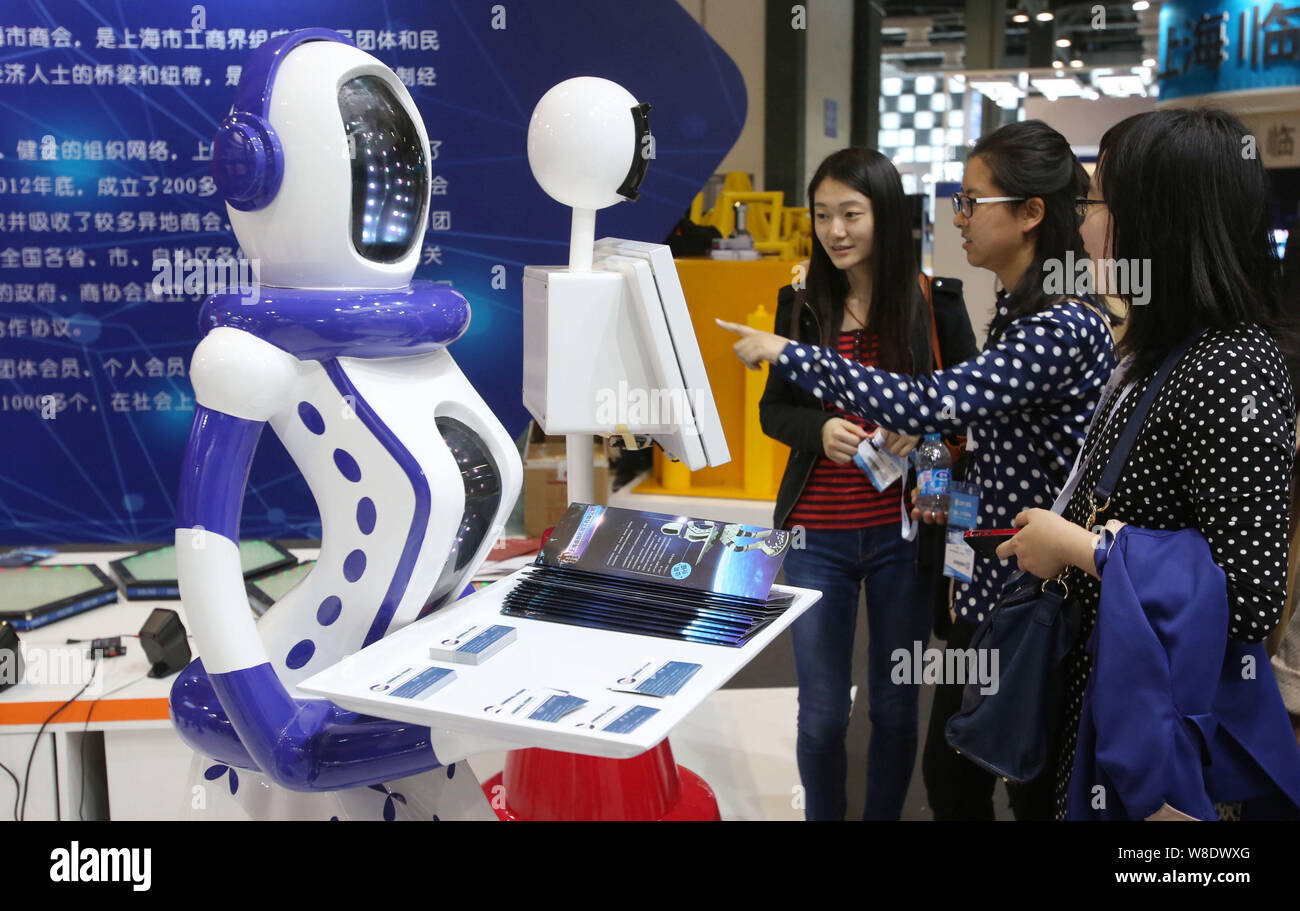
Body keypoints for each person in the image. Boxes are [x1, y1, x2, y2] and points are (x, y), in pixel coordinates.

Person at [721, 120, 1115, 820]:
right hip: (942, 566)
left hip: (1000, 580)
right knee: (849, 721)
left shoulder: (1029, 319)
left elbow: (938, 405)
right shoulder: (1008, 312)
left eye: (971, 201)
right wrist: (959, 569)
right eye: (823, 215)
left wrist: (792, 354)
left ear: (1029, 214)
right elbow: (979, 448)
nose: (959, 217)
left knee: (972, 754)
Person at [992, 108, 1298, 818]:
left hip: (1159, 730)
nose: (1085, 225)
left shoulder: (1231, 367)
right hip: (1108, 700)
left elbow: (1248, 592)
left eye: (1097, 203)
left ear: (1157, 219)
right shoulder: (1159, 348)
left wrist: (1079, 546)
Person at [755, 147, 957, 821]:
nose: (835, 231)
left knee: (895, 705)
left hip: (907, 535)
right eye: (823, 215)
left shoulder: (934, 304)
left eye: (851, 213)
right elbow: (773, 411)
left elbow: (970, 414)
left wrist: (926, 436)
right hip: (817, 535)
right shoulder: (800, 306)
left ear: (885, 216)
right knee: (820, 712)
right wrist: (820, 432)